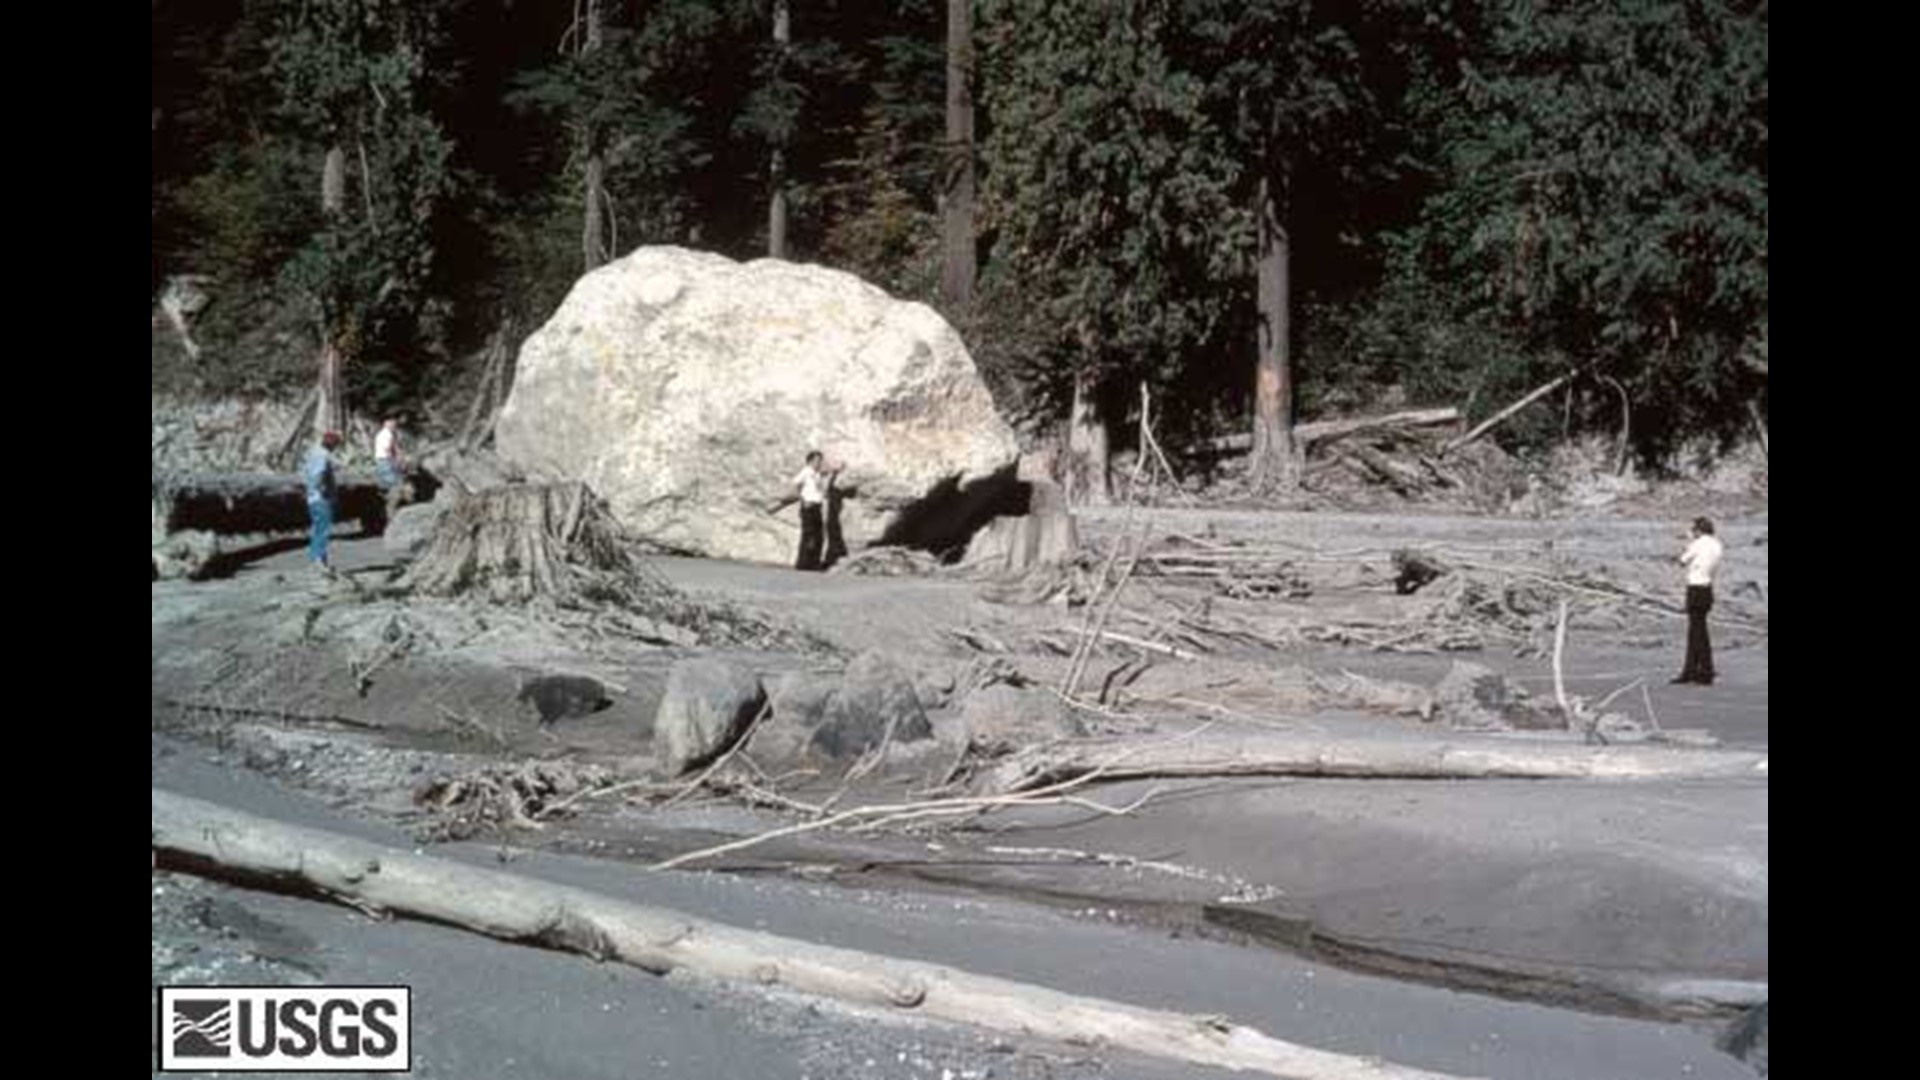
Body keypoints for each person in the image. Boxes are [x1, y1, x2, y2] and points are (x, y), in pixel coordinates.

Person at [1673, 516, 1724, 685]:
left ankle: (1704, 672)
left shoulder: (1698, 543)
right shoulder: (1717, 545)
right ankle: (1692, 670)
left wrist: (1689, 541)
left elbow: (1682, 561)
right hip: (1708, 588)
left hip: (1695, 588)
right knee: (1698, 630)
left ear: (1699, 530)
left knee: (1697, 632)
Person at [771, 450, 841, 571]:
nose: (819, 463)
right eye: (817, 460)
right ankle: (803, 564)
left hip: (817, 507)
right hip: (808, 507)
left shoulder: (817, 473)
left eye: (820, 461)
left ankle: (814, 563)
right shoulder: (806, 472)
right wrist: (801, 497)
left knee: (819, 536)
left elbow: (827, 472)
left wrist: (836, 471)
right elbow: (795, 484)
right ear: (810, 461)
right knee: (809, 536)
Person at [303, 430, 344, 572]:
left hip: (312, 498)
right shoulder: (323, 455)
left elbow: (307, 473)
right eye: (336, 444)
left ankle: (318, 561)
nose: (336, 447)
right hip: (321, 498)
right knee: (323, 530)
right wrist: (324, 492)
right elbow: (319, 475)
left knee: (317, 529)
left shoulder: (313, 452)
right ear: (332, 444)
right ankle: (319, 562)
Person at [373, 416, 406, 521]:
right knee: (393, 487)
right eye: (392, 422)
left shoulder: (383, 434)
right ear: (386, 423)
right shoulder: (387, 434)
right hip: (386, 461)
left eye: (394, 422)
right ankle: (391, 515)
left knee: (386, 487)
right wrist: (397, 461)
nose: (394, 424)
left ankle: (385, 515)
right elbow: (389, 449)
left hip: (381, 461)